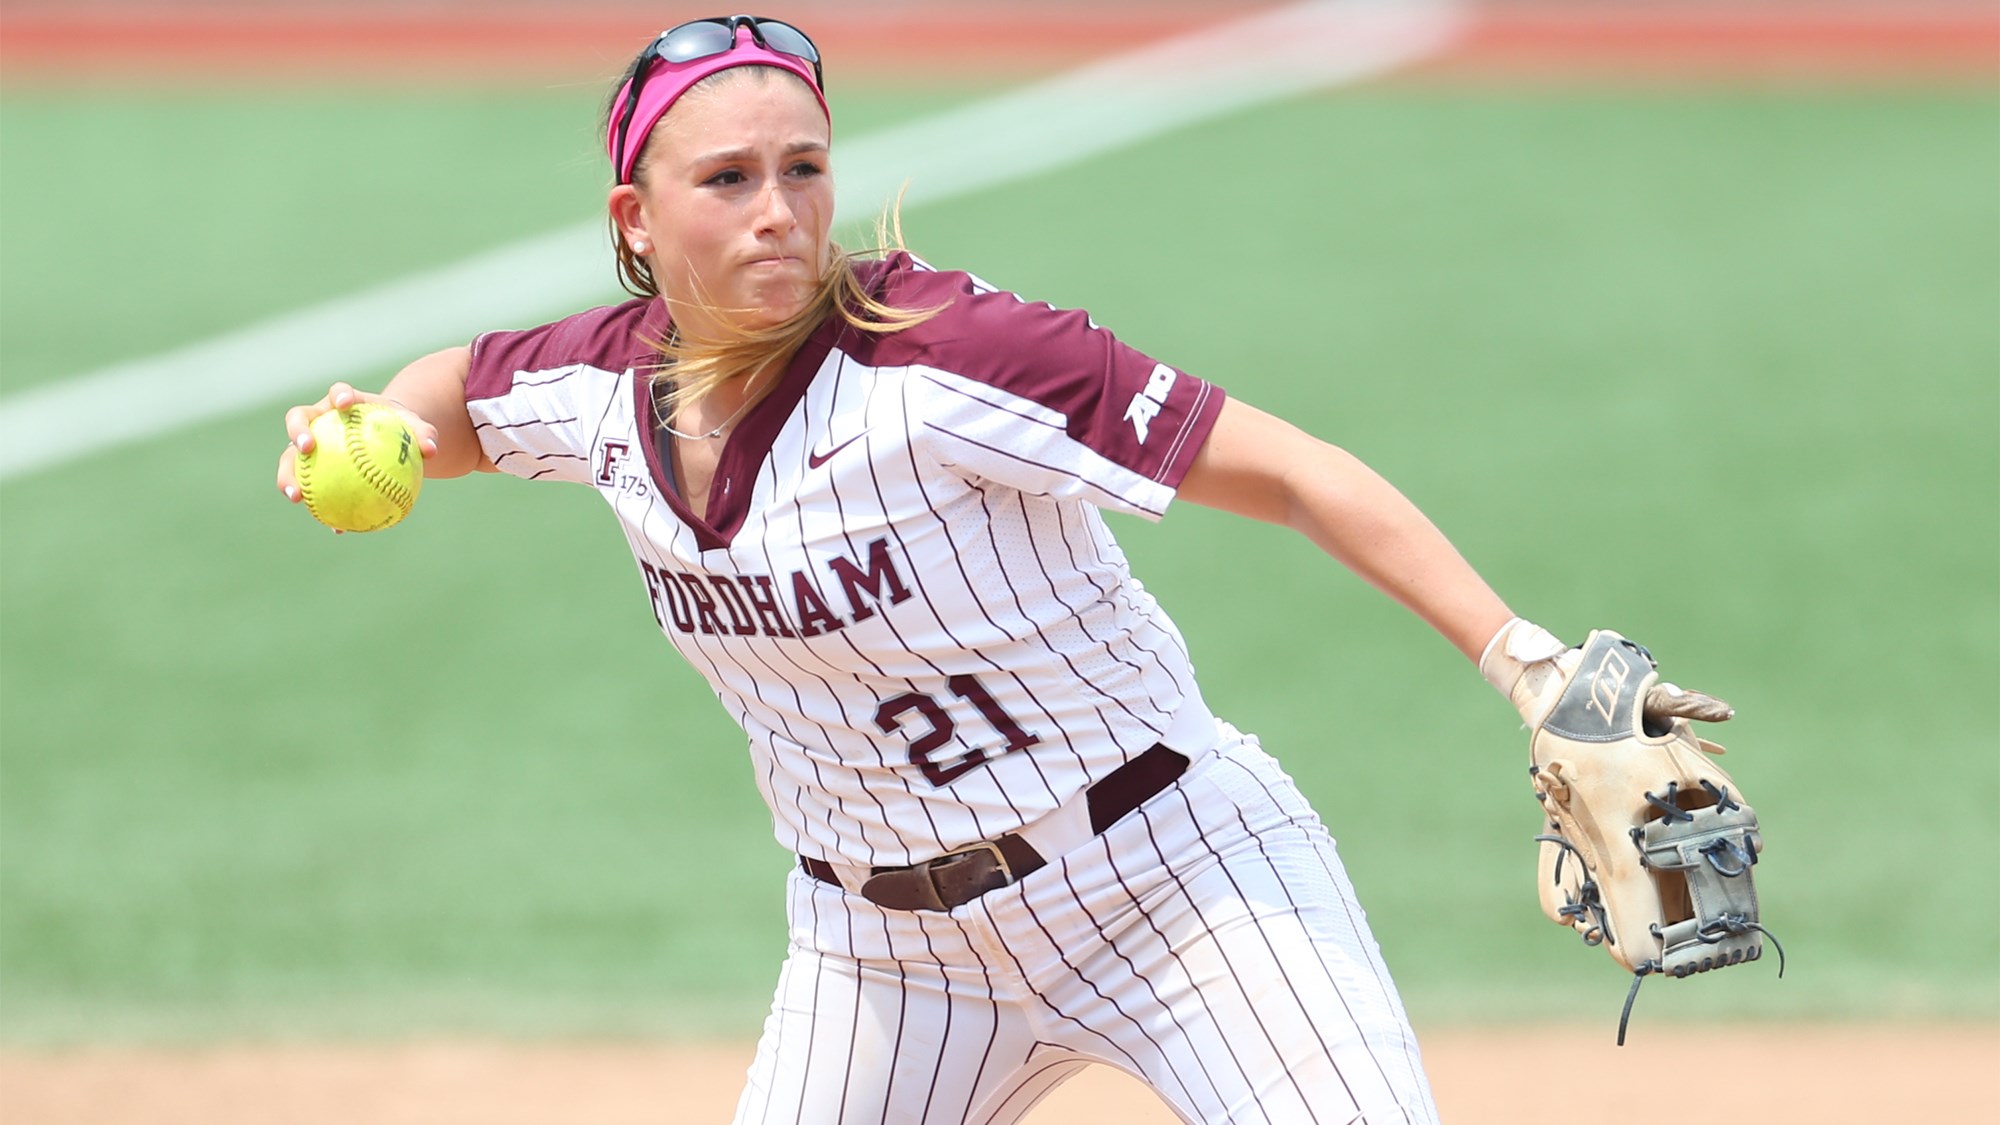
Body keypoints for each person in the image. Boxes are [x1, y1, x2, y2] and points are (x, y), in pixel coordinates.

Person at [276, 16, 1543, 1123]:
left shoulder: (949, 352)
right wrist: (378, 425)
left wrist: (1528, 668)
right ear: (636, 217)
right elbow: (457, 399)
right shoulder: (599, 383)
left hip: (1176, 885)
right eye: (726, 178)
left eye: (802, 168)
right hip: (883, 956)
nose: (777, 209)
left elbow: (1295, 472)